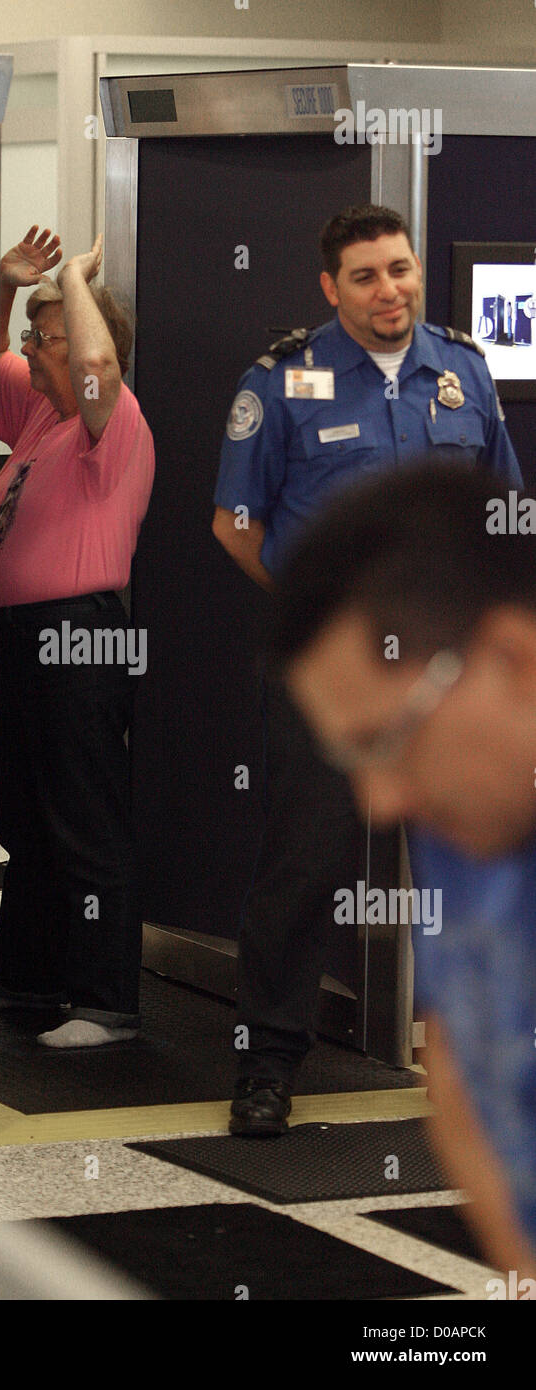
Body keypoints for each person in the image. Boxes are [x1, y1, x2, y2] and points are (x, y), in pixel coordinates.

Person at [211, 204, 522, 1135]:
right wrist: (321, 634)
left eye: (400, 269)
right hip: (336, 688)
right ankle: (267, 1066)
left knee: (480, 863)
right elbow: (234, 525)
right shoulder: (280, 381)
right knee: (303, 868)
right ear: (329, 287)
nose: (390, 290)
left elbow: (500, 508)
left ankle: (495, 1060)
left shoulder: (463, 371)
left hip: (451, 680)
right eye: (366, 276)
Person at [273, 459, 536, 1278]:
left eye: (385, 741)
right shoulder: (466, 818)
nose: (379, 803)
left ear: (511, 659)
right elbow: (463, 1074)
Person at [0, 224, 155, 1048]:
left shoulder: (110, 417)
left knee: (83, 816)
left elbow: (93, 365)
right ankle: (29, 978)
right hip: (20, 633)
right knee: (22, 816)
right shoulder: (40, 417)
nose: (32, 351)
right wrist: (9, 287)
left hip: (80, 634)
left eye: (44, 340)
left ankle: (103, 1003)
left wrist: (78, 283)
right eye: (33, 337)